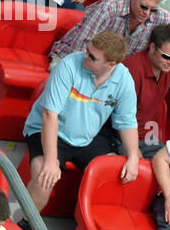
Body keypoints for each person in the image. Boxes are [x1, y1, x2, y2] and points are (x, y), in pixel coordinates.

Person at [21, 30, 140, 220]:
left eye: (92, 57)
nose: (85, 56)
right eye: (87, 51)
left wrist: (133, 157)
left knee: (113, 175)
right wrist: (52, 160)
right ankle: (24, 225)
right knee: (44, 179)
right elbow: (49, 114)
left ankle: (83, 227)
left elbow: (126, 122)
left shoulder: (124, 80)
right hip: (49, 130)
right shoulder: (69, 65)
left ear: (111, 64)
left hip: (87, 139)